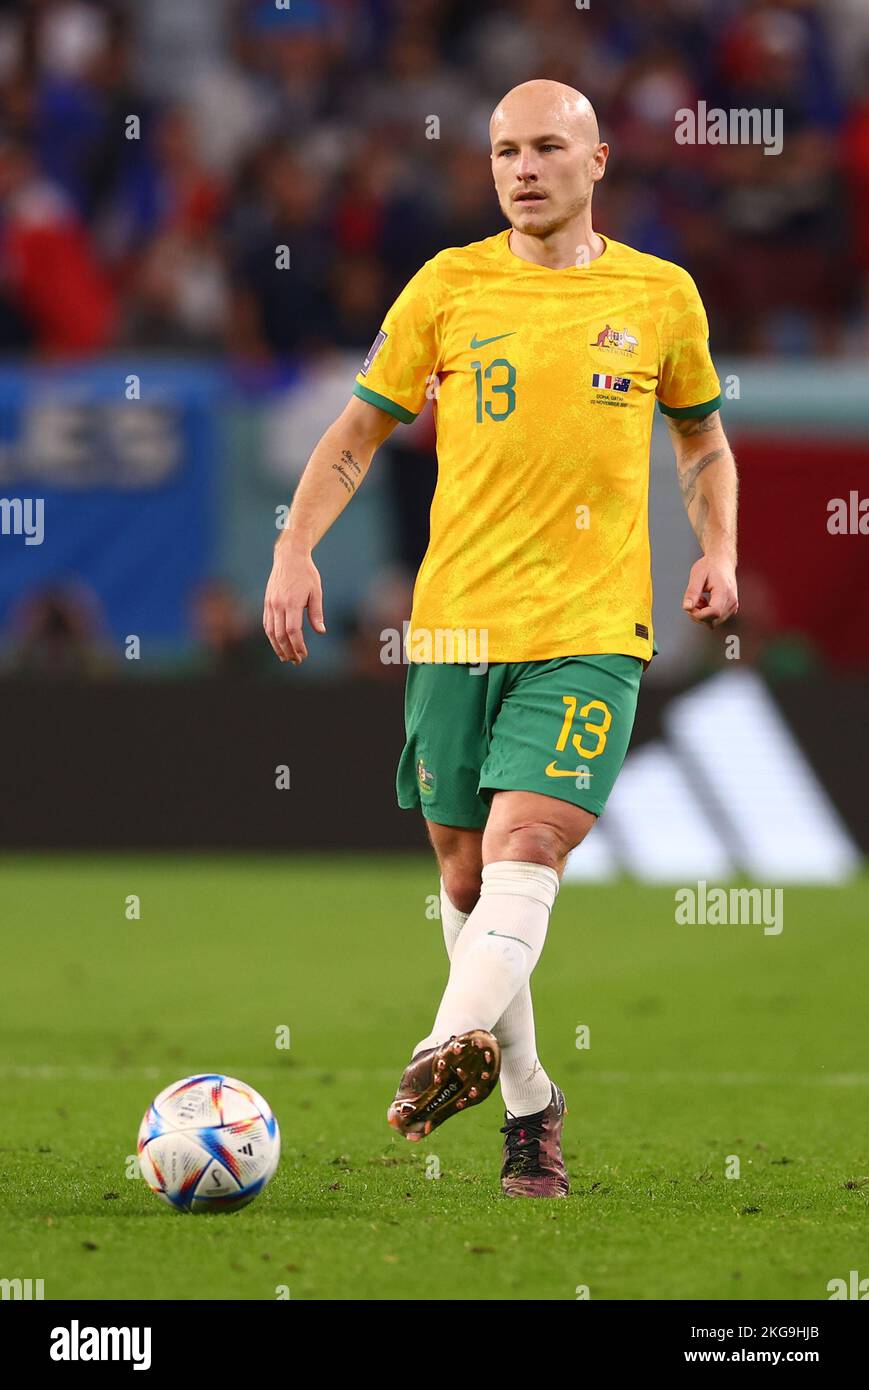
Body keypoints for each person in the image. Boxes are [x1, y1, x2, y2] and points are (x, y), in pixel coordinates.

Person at [263, 80, 738, 1198]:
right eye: (501, 152)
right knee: (468, 874)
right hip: (454, 623)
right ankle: (528, 1104)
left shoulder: (661, 295)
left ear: (597, 159)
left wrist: (715, 547)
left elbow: (703, 442)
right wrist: (294, 549)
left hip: (589, 626)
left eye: (543, 148)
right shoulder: (447, 284)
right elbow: (354, 434)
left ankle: (438, 1047)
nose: (521, 169)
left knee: (528, 843)